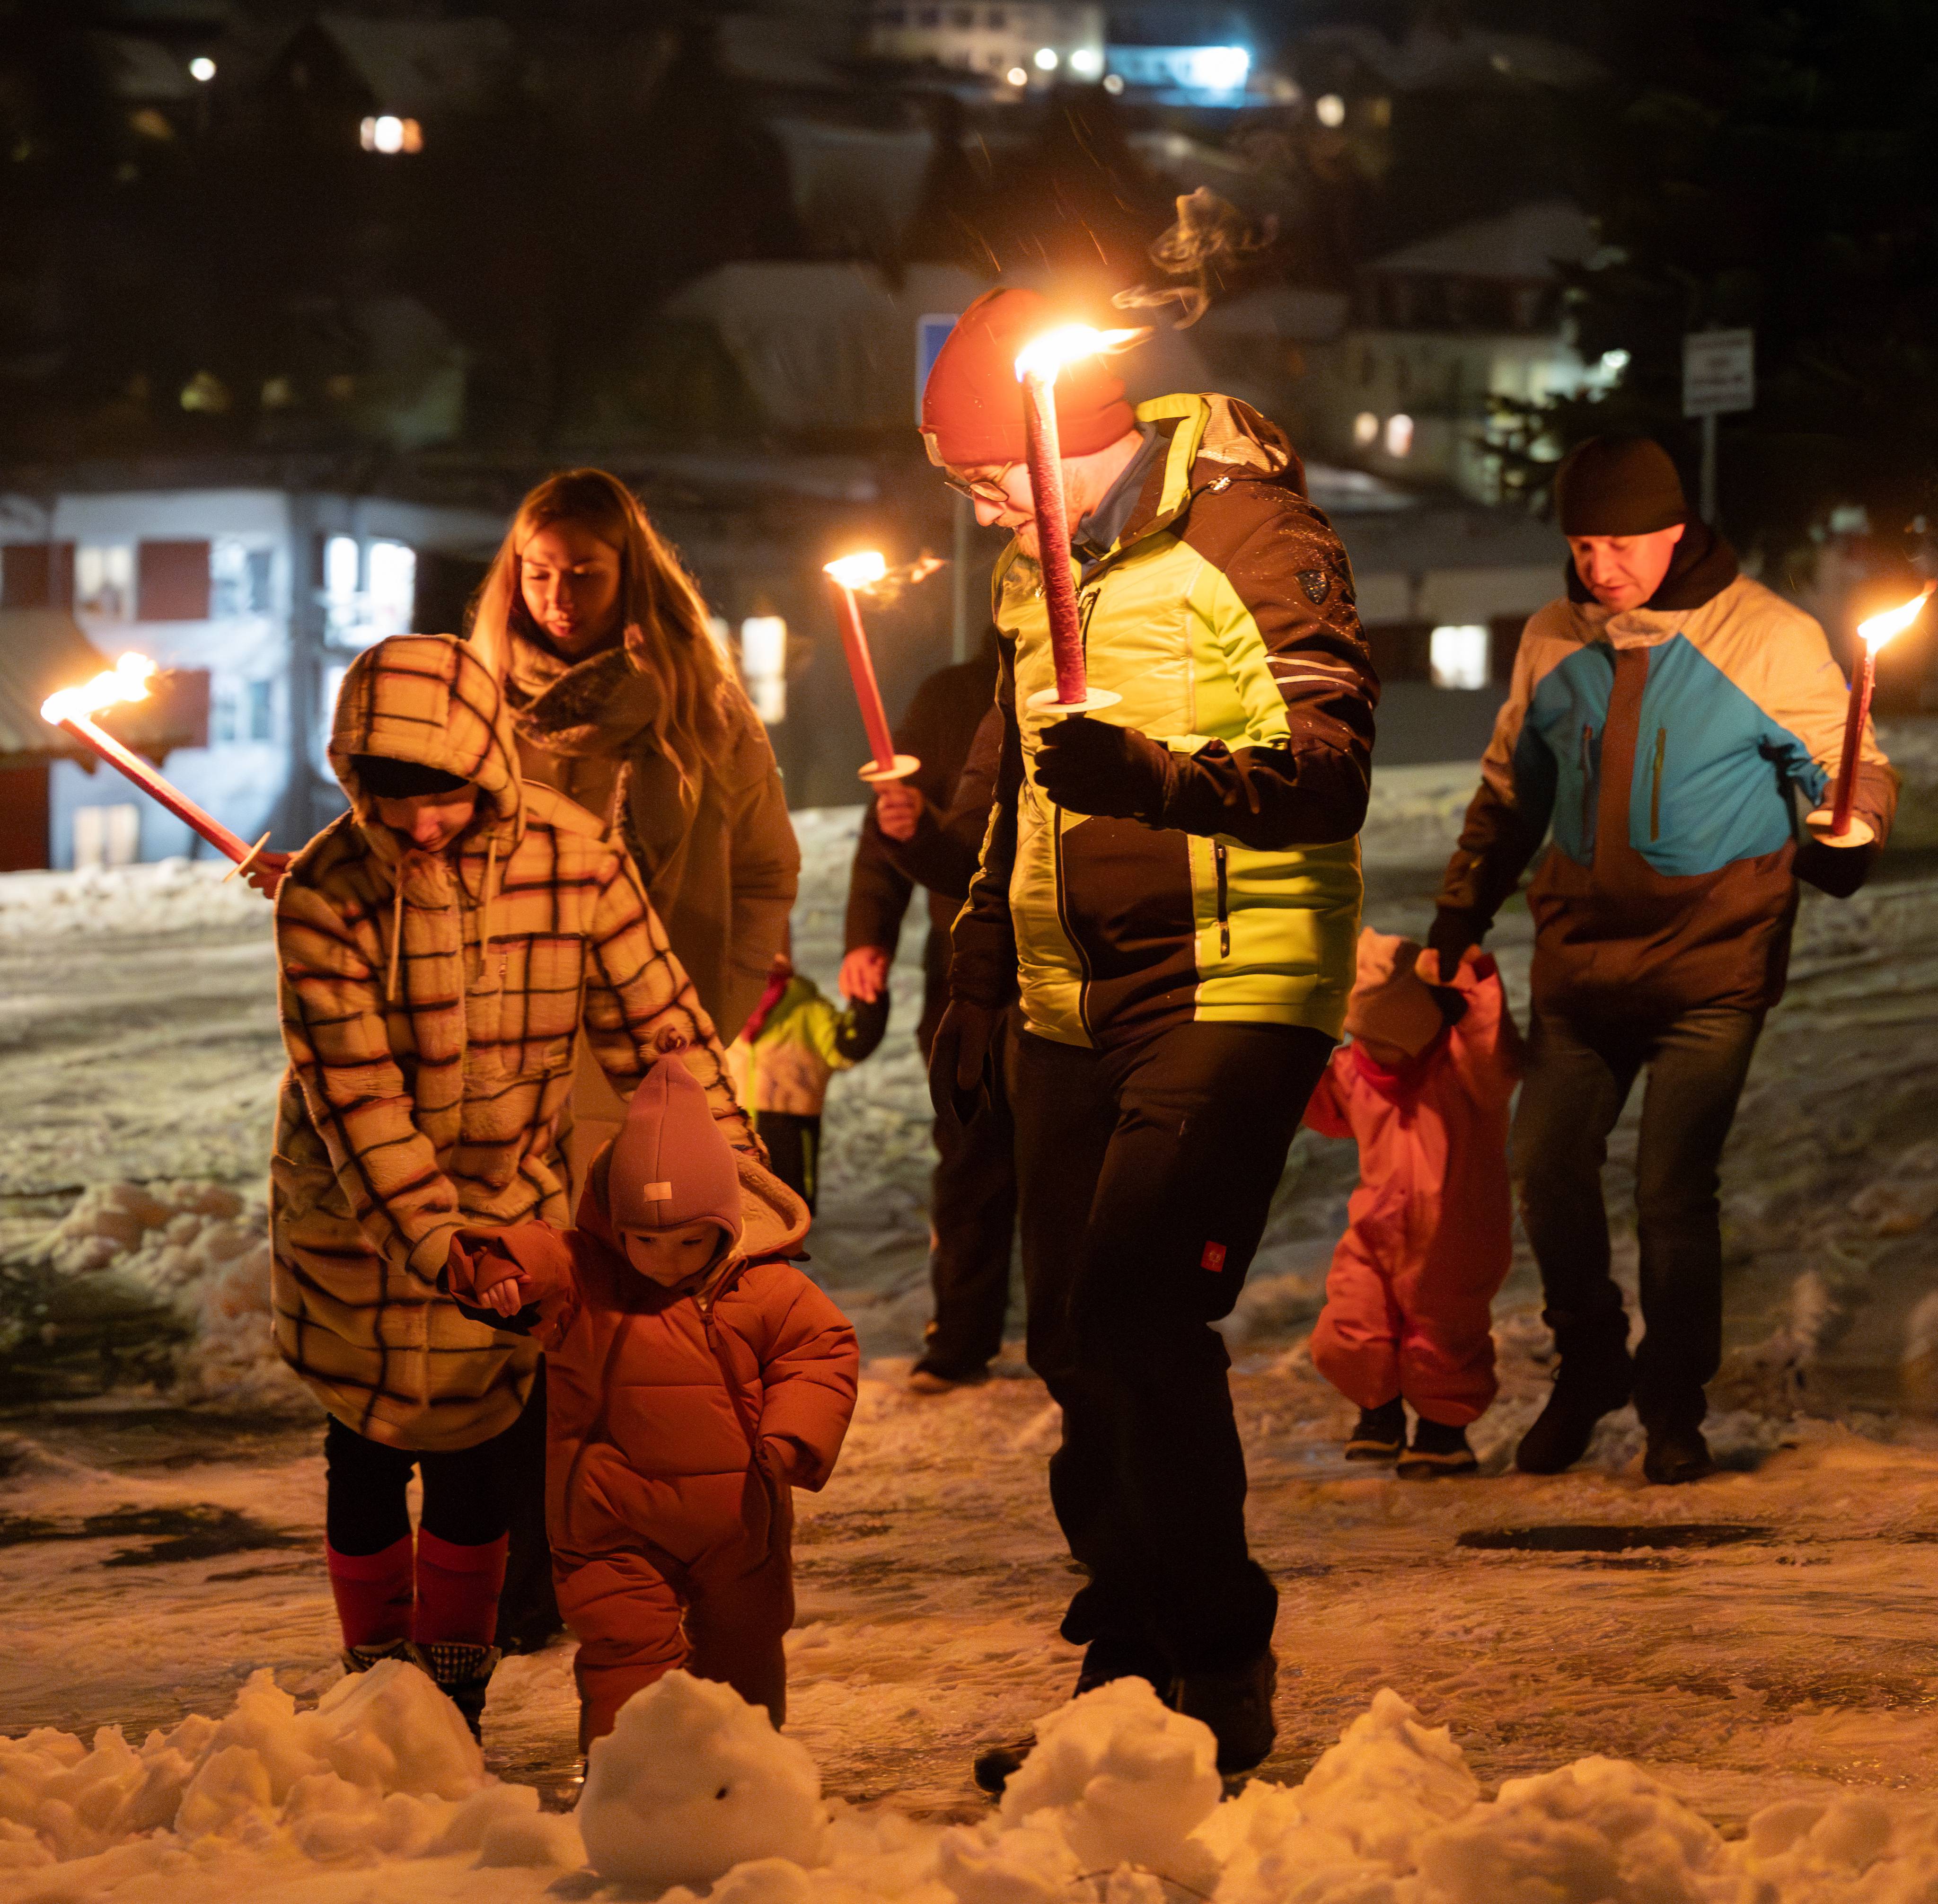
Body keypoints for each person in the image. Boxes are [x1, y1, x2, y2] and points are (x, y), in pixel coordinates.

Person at [919, 286, 1378, 1779]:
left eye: (985, 465)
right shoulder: (1029, 571)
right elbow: (1009, 785)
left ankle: (1213, 1664)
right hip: (1069, 995)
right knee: (1066, 1338)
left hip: (1231, 983)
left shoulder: (1251, 537)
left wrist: (1155, 775)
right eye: (960, 478)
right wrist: (979, 965)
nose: (978, 496)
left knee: (1135, 1314)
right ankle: (1124, 1663)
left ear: (1073, 433)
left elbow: (1330, 768)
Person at [269, 633, 759, 1736]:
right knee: (365, 1442)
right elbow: (358, 1097)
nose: (420, 826)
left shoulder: (576, 857)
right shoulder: (324, 894)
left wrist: (733, 1175)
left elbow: (659, 1030)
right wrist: (439, 1241)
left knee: (483, 1446)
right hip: (358, 1218)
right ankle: (371, 1671)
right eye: (391, 804)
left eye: (441, 797)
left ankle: (452, 1688)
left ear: (486, 764)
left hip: (509, 1205)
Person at [1428, 436, 1897, 1485]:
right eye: (1582, 544)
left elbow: (1846, 760)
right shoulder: (1553, 636)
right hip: (1580, 963)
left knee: (1671, 1189)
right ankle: (1589, 1363)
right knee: (1544, 1168)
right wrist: (1455, 917)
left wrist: (1848, 825)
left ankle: (1670, 1405)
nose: (1600, 567)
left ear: (1673, 532)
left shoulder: (1764, 636)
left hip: (1710, 960)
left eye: (1621, 543)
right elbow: (1512, 789)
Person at [468, 467, 799, 1649]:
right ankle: (525, 1568)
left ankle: (661, 1546)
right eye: (539, 573)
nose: (558, 597)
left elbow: (765, 862)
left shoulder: (698, 707)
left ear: (630, 575)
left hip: (658, 1055)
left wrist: (715, 1000)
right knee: (526, 1309)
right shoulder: (475, 710)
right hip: (514, 1054)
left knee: (654, 1324)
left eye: (584, 574)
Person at [443, 1050, 859, 1747]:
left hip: (737, 1521)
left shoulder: (763, 1286)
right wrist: (498, 1273)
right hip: (611, 1524)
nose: (666, 1260)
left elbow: (820, 1352)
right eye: (644, 1241)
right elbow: (533, 1252)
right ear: (614, 1226)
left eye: (689, 1241)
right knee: (623, 1660)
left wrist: (794, 1438)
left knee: (745, 1652)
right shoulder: (585, 1275)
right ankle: (626, 1783)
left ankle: (745, 1781)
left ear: (726, 1224)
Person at [842, 637, 1019, 1390]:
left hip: (1081, 967)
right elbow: (892, 826)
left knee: (1072, 1162)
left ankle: (1079, 1332)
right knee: (972, 1153)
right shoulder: (954, 697)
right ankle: (962, 1335)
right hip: (965, 972)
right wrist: (867, 937)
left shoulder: (1111, 667)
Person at [1302, 932, 1522, 1477]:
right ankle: (1377, 1414)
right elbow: (1322, 1110)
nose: (1373, 1053)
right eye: (1362, 1037)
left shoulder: (1463, 1071)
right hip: (1375, 1227)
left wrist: (1471, 975)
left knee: (1441, 1340)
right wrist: (1294, 1041)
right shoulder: (1354, 1070)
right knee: (1350, 1321)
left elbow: (1494, 1047)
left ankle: (1442, 1432)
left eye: (1384, 1041)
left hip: (1458, 1234)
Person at [728, 944, 888, 1213]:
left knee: (789, 1209)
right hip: (734, 1127)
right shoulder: (733, 1005)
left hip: (788, 1128)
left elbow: (851, 1045)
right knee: (737, 1206)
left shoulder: (809, 1008)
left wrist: (870, 996)